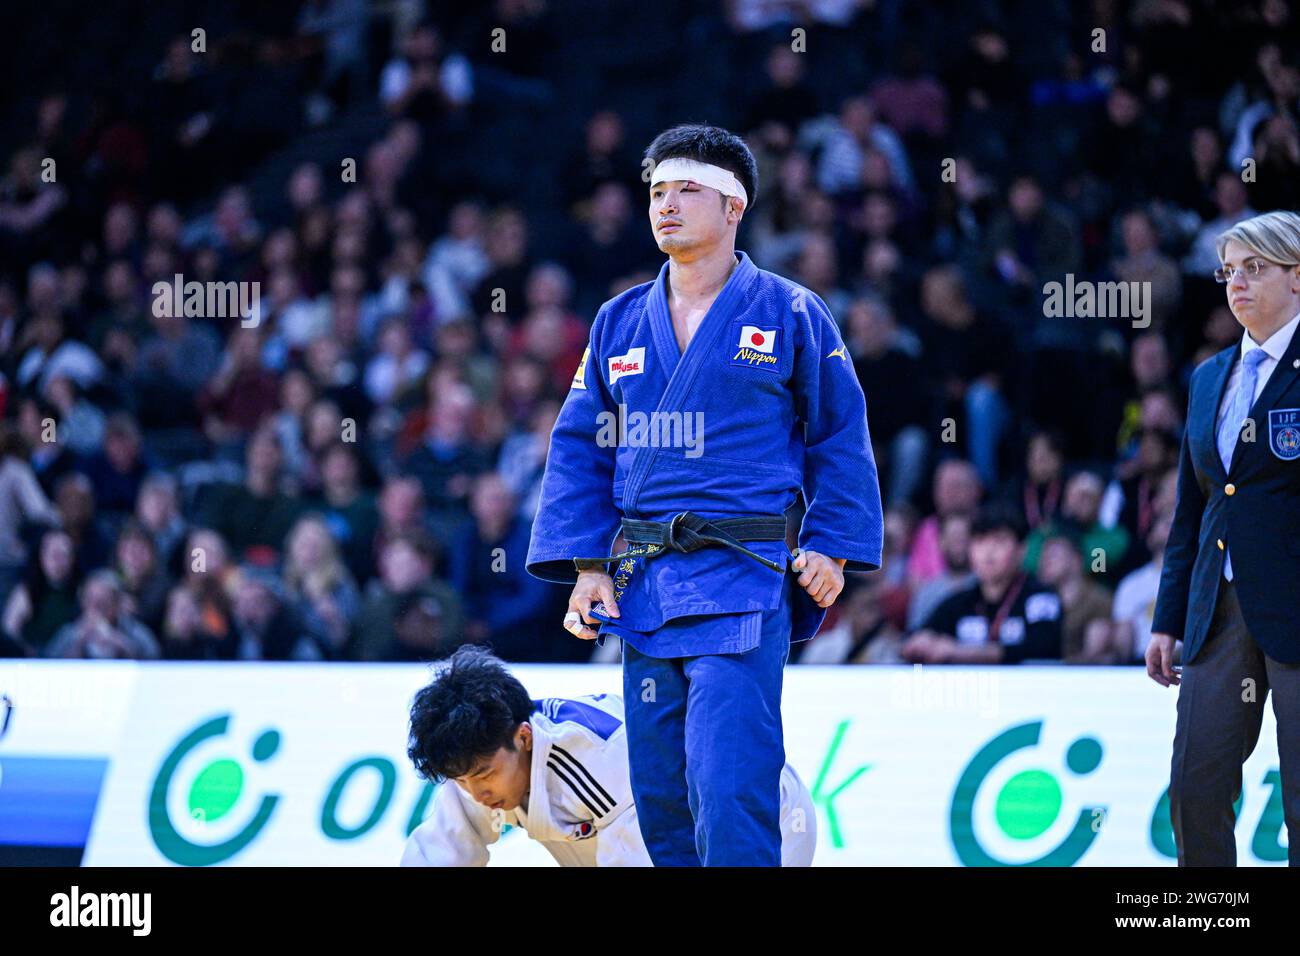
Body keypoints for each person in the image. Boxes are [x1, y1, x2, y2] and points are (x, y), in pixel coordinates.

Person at [526, 125, 882, 866]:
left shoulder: (789, 312)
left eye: (688, 190)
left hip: (742, 578)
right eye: (658, 191)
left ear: (734, 208)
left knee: (728, 788)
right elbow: (577, 446)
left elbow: (840, 434)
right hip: (645, 586)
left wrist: (831, 545)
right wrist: (588, 564)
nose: (667, 205)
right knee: (660, 799)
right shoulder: (618, 320)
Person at [1149, 210, 1300, 867]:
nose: (1236, 283)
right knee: (1194, 786)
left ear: (1297, 277)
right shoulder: (1209, 378)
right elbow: (1193, 509)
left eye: (1255, 268)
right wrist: (1167, 618)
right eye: (1229, 271)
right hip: (1218, 613)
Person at [401, 646, 815, 867]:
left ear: (524, 738)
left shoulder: (600, 762)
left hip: (764, 817)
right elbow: (438, 855)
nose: (476, 792)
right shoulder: (479, 758)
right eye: (462, 781)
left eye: (482, 775)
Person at [903, 502, 1062, 665]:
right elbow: (915, 642)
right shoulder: (959, 602)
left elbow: (1043, 648)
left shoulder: (1040, 597)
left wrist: (958, 651)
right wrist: (921, 644)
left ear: (1021, 550)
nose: (988, 552)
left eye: (999, 541)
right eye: (980, 541)